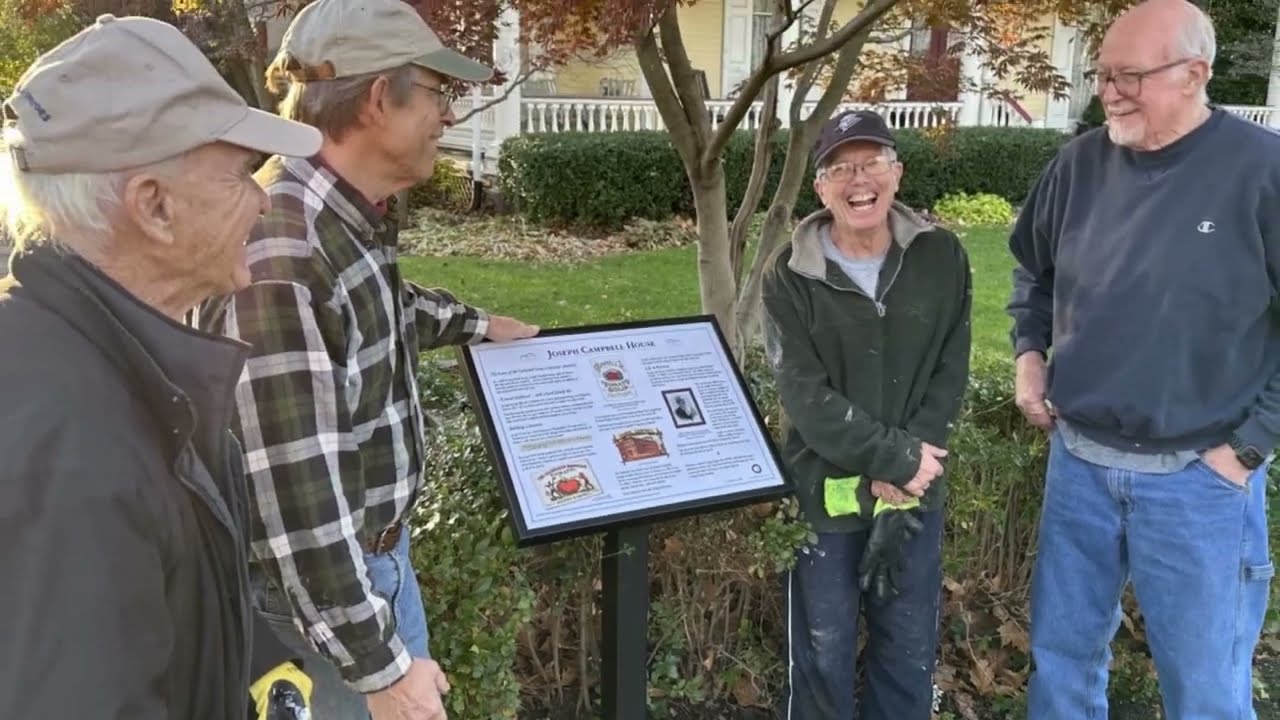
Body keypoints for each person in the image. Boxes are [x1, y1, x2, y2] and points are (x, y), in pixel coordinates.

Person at [196, 0, 539, 717]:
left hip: (373, 567)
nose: (449, 117)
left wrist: (481, 324)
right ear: (381, 98)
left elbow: (378, 304)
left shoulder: (335, 217)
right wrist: (381, 672)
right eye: (440, 94)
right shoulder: (282, 249)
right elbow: (298, 502)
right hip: (319, 612)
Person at [0, 14, 325, 720]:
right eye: (242, 172)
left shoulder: (114, 356)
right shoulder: (70, 451)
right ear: (154, 206)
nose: (264, 197)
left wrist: (259, 660)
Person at [1006, 1, 1280, 718]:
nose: (1111, 93)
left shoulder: (1263, 171)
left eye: (1130, 76)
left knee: (1205, 689)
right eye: (1103, 76)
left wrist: (1247, 449)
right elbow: (1031, 273)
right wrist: (1029, 354)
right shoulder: (1078, 164)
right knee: (1062, 667)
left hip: (1199, 482)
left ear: (1195, 73)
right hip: (1080, 467)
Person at [761, 108, 973, 720]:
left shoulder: (941, 257)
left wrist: (914, 463)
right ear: (821, 187)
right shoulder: (790, 275)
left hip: (915, 490)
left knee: (907, 648)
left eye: (873, 162)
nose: (860, 180)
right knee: (823, 651)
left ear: (897, 173)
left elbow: (950, 365)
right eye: (841, 168)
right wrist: (896, 458)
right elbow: (804, 395)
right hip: (825, 493)